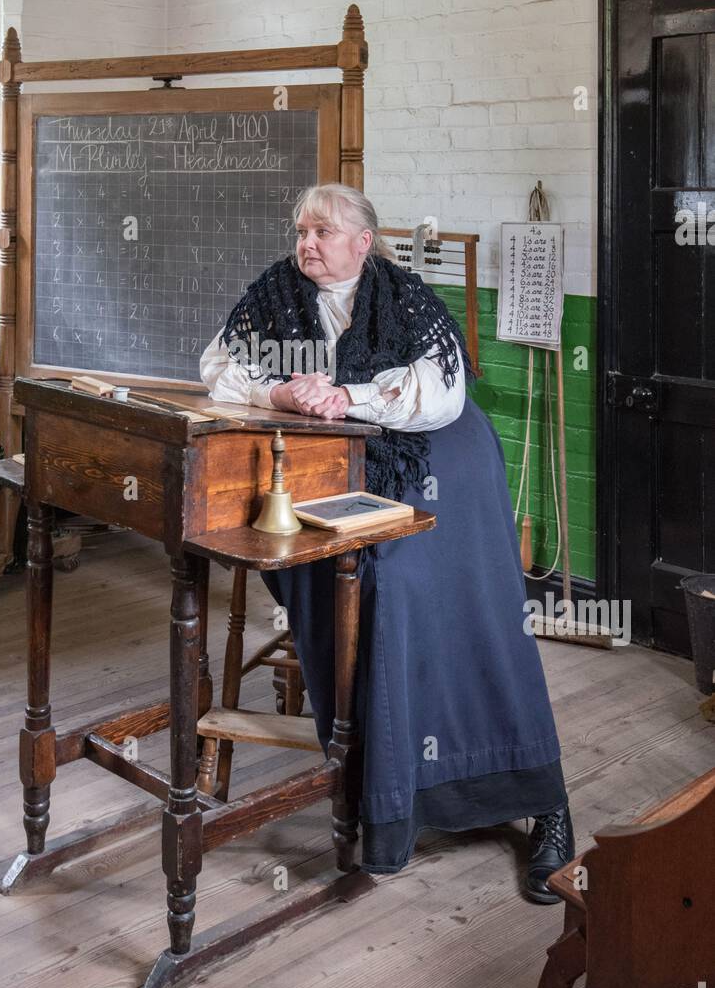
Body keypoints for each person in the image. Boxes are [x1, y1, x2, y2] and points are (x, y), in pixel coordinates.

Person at [199, 183, 574, 902]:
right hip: (329, 465)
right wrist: (279, 396)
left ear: (362, 242)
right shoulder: (273, 294)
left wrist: (348, 398)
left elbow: (440, 394)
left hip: (437, 464)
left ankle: (543, 801)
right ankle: (386, 793)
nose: (305, 244)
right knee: (344, 589)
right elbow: (217, 369)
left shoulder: (404, 297)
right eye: (300, 231)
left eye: (322, 232)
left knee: (427, 599)